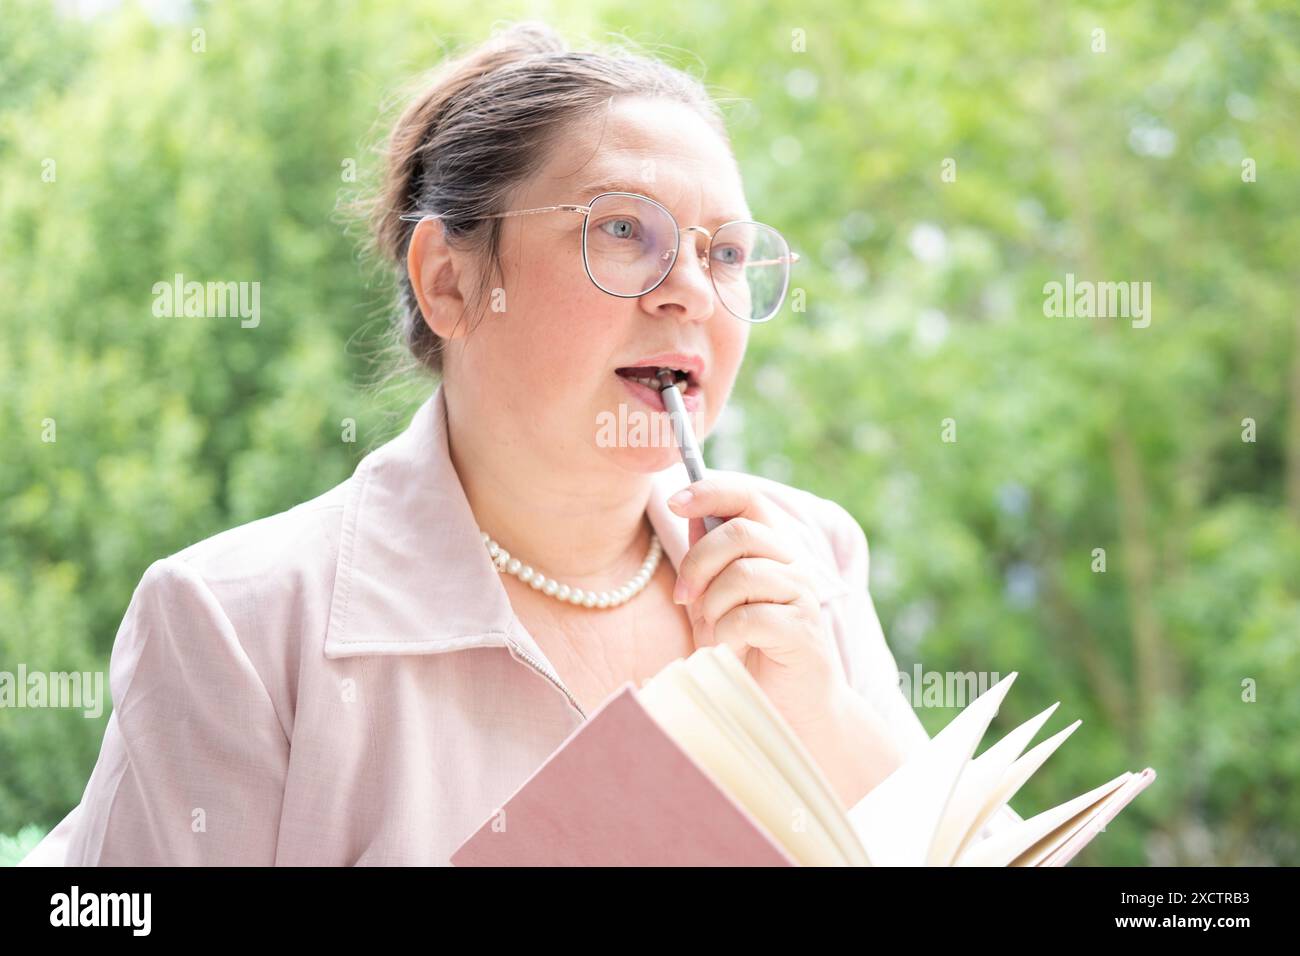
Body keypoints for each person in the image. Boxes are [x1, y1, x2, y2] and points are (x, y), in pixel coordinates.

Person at [21, 20, 1020, 866]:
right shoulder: (236, 626)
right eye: (624, 229)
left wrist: (828, 720)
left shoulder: (810, 560)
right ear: (450, 280)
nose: (690, 288)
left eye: (724, 251)